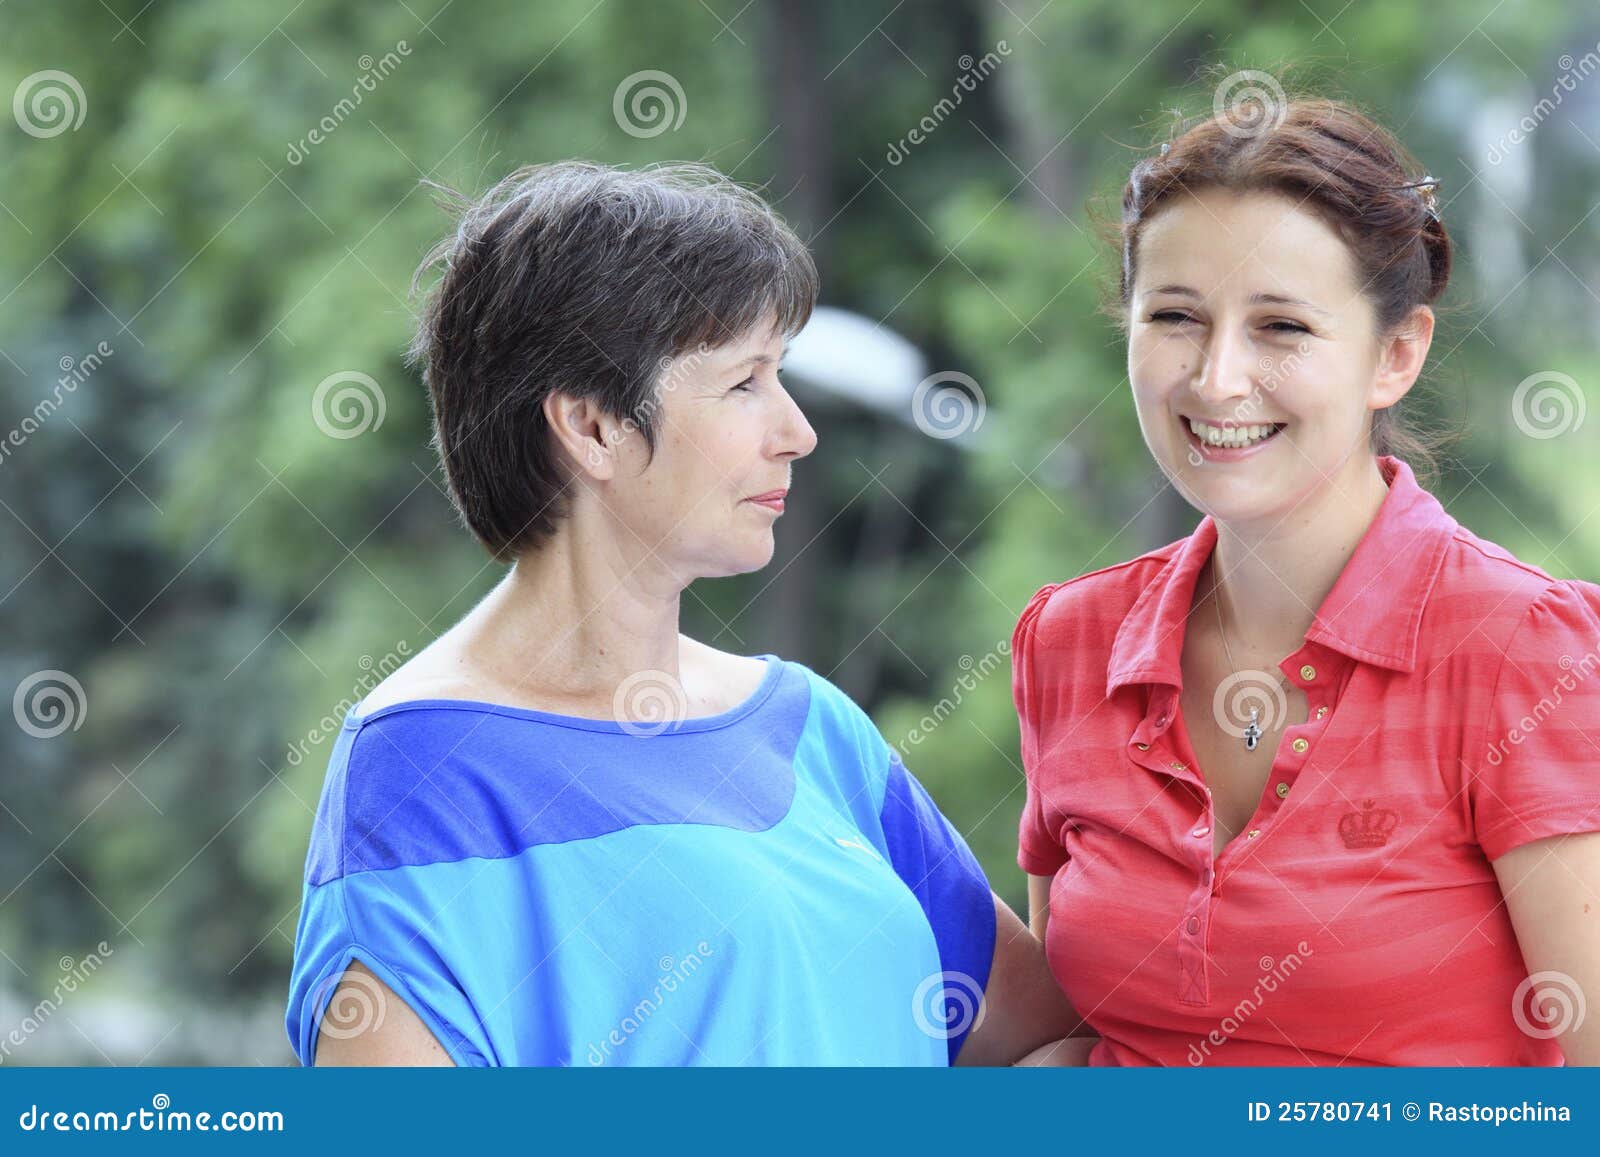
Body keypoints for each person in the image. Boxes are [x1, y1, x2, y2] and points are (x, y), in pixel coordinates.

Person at [285, 160, 1075, 1066]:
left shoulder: (810, 728)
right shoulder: (422, 780)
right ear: (589, 427)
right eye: (745, 383)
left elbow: (1045, 1042)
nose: (797, 430)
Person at [1014, 97, 1600, 1066]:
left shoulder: (1522, 650)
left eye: (1280, 326)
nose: (1215, 378)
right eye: (1174, 317)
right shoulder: (1068, 638)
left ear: (1395, 353)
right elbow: (1075, 1028)